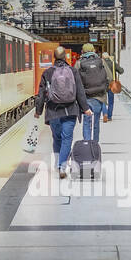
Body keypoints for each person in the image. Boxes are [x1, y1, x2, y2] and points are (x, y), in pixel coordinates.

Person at [33, 45, 92, 177]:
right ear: (65, 57)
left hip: (53, 112)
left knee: (57, 138)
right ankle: (62, 166)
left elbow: (41, 94)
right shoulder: (72, 71)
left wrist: (38, 111)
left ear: (54, 57)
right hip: (70, 110)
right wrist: (86, 108)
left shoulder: (47, 73)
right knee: (67, 139)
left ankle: (58, 163)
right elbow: (80, 92)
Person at [76, 41, 109, 143]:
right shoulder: (101, 62)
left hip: (86, 98)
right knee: (96, 123)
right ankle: (95, 144)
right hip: (99, 97)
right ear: (93, 50)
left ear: (82, 51)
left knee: (87, 121)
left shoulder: (79, 63)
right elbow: (109, 77)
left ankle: (87, 144)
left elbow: (75, 81)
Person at [100, 45, 124, 123]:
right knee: (111, 101)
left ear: (103, 57)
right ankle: (109, 116)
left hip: (102, 84)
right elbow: (121, 71)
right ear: (109, 57)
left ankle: (104, 113)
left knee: (103, 100)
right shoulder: (113, 63)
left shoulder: (100, 64)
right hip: (112, 84)